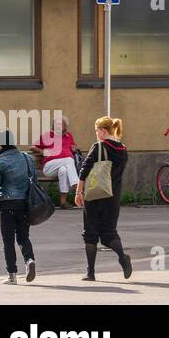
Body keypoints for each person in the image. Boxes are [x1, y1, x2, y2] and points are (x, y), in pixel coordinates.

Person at [74, 116, 132, 281]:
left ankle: (90, 273)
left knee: (90, 233)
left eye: (97, 130)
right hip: (113, 197)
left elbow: (84, 170)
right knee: (109, 233)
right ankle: (122, 257)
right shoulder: (123, 148)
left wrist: (79, 192)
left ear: (103, 131)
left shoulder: (98, 147)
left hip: (95, 195)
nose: (96, 133)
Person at [0, 130, 36, 285]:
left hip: (7, 205)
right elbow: (35, 183)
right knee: (23, 237)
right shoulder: (27, 158)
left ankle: (12, 275)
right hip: (25, 204)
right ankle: (29, 260)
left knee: (8, 241)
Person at [34, 116, 79, 209]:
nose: (58, 126)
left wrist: (73, 148)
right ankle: (77, 187)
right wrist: (42, 152)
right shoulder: (47, 135)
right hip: (50, 167)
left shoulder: (69, 136)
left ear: (65, 126)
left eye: (61, 124)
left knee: (63, 171)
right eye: (56, 124)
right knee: (69, 160)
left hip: (63, 166)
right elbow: (33, 147)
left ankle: (63, 202)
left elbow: (73, 146)